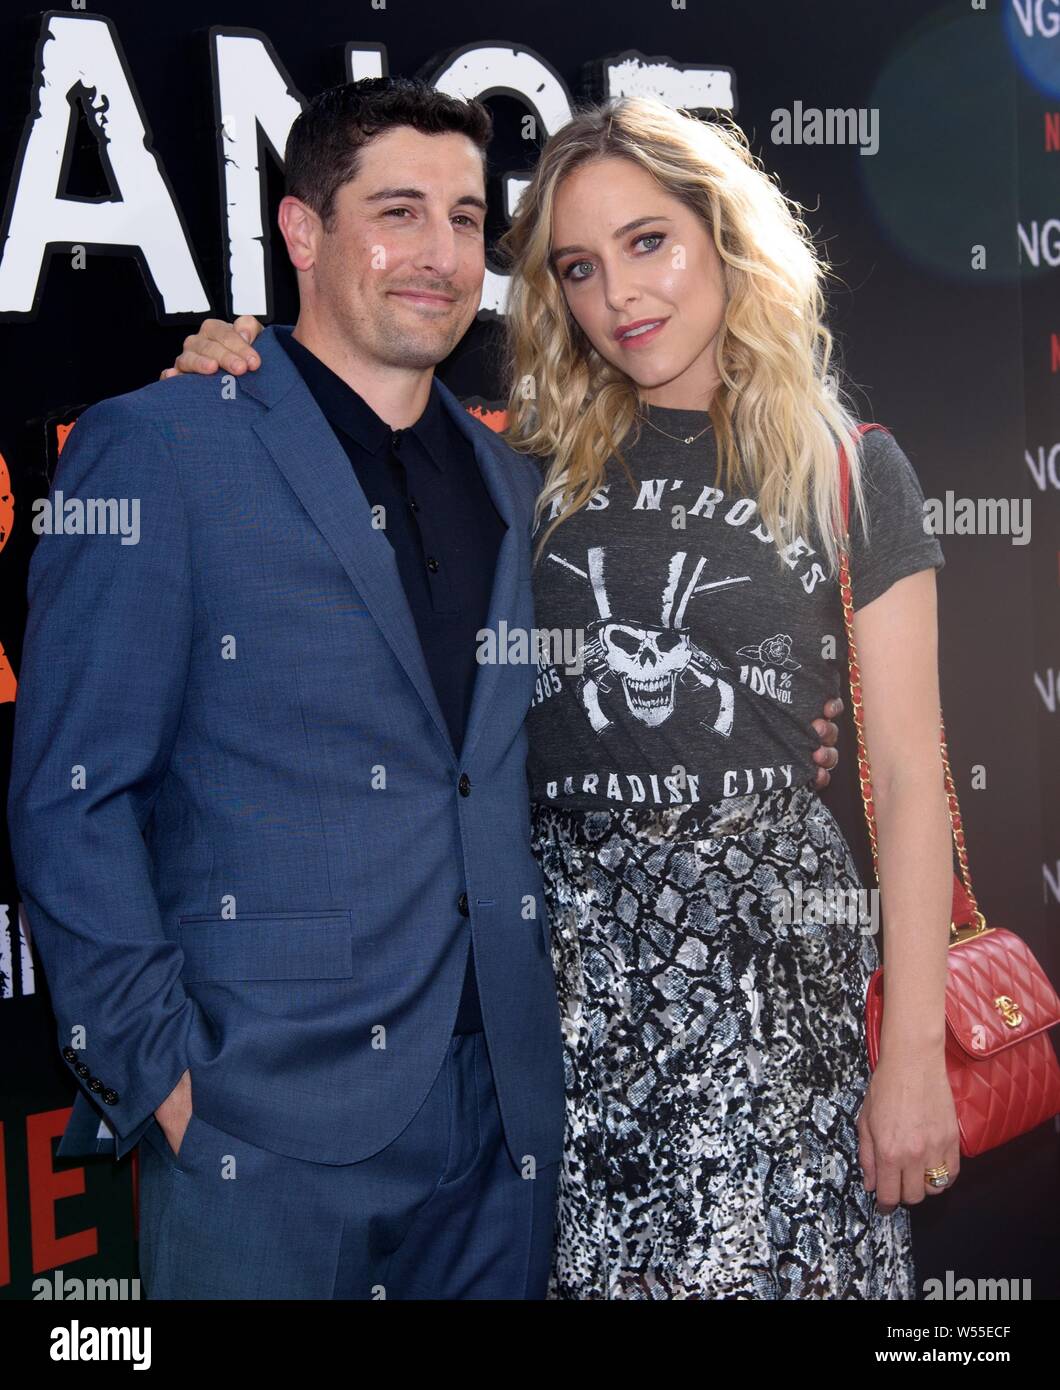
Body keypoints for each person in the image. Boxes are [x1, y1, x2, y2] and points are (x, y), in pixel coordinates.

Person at [149, 87, 869, 1302]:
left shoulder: (543, 473)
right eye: (398, 212)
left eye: (466, 218)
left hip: (574, 1094)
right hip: (318, 1115)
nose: (439, 253)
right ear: (302, 231)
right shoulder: (196, 443)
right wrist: (163, 1081)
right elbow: (74, 797)